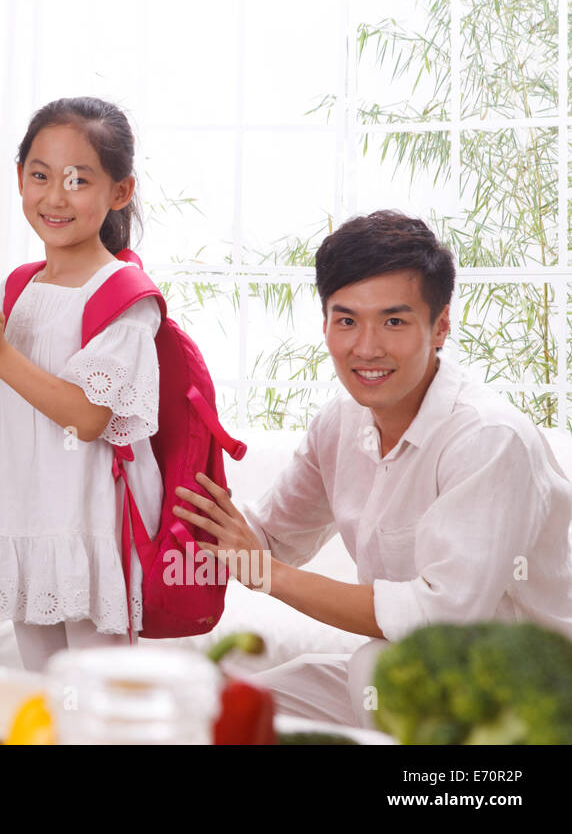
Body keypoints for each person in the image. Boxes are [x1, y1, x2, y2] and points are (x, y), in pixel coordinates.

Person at [173, 210, 572, 727]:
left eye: (394, 321)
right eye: (347, 320)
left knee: (372, 674)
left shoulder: (489, 439)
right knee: (210, 716)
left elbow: (437, 619)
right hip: (404, 680)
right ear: (325, 325)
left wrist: (266, 574)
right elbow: (267, 537)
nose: (366, 347)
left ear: (441, 326)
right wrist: (169, 494)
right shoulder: (340, 423)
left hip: (518, 697)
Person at [0, 97, 161, 672]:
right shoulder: (20, 285)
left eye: (79, 180)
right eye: (40, 175)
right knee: (48, 695)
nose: (55, 196)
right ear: (20, 178)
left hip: (88, 528)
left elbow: (88, 418)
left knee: (101, 703)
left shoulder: (126, 295)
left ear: (119, 193)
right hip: (26, 525)